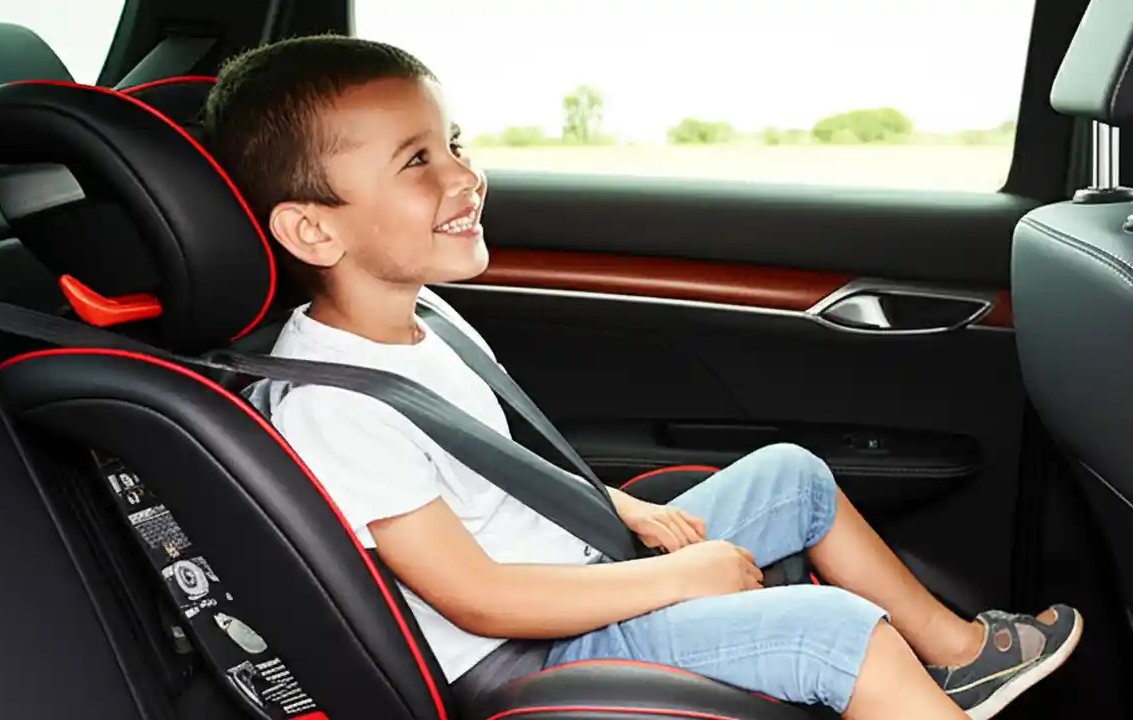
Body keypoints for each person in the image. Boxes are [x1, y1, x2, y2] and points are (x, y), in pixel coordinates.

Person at [205, 35, 1082, 720]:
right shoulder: (332, 404)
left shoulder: (426, 319)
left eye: (454, 144)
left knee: (795, 474)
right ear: (315, 232)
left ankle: (960, 658)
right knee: (836, 632)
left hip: (579, 573)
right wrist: (678, 577)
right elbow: (477, 598)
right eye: (416, 161)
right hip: (531, 648)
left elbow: (501, 460)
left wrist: (622, 508)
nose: (465, 175)